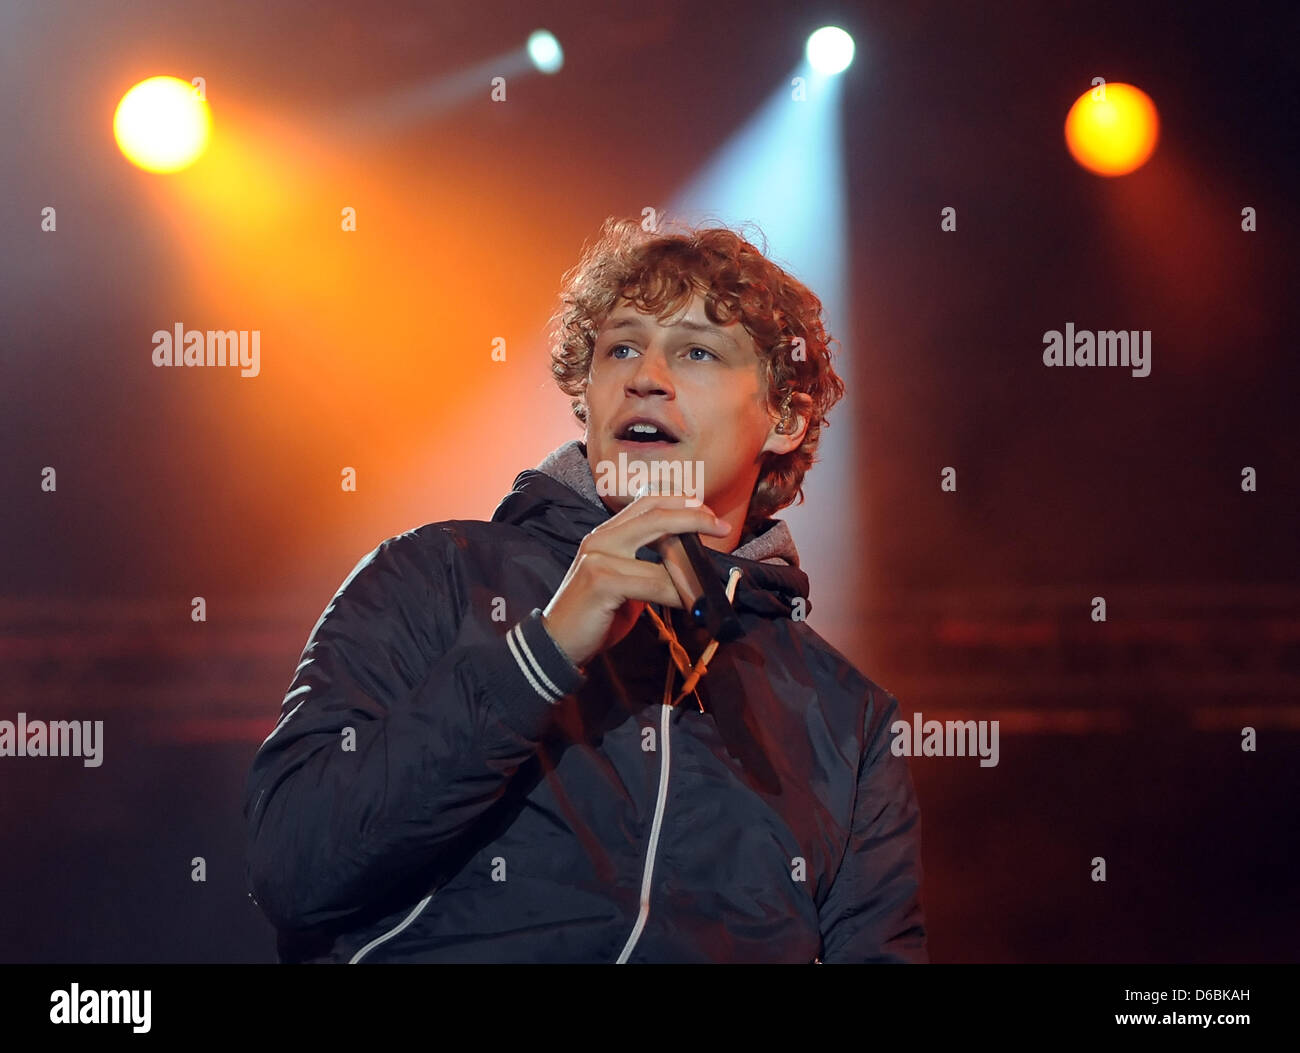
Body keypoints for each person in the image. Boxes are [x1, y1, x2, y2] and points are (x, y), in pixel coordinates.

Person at [242, 216, 927, 963]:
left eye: (696, 351)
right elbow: (296, 867)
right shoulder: (434, 574)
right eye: (622, 347)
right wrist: (541, 654)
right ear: (587, 397)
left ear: (786, 417)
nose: (645, 376)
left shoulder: (847, 717)